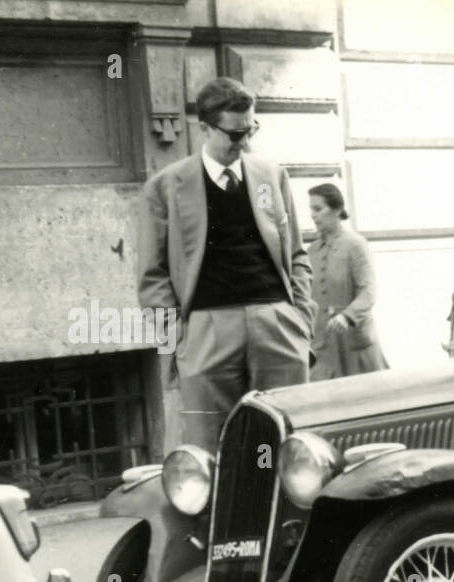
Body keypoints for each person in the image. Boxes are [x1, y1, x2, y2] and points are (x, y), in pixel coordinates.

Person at [137, 76, 315, 449]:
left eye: (251, 130)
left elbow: (297, 254)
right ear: (204, 128)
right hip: (205, 328)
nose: (245, 143)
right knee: (211, 448)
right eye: (235, 135)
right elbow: (152, 276)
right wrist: (179, 341)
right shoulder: (166, 186)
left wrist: (301, 320)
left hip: (276, 323)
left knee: (289, 442)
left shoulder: (270, 175)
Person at [306, 183, 388, 379]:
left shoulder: (356, 245)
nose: (312, 215)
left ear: (337, 210)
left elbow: (368, 293)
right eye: (311, 209)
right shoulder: (311, 252)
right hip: (324, 347)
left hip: (355, 344)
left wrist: (347, 316)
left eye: (318, 209)